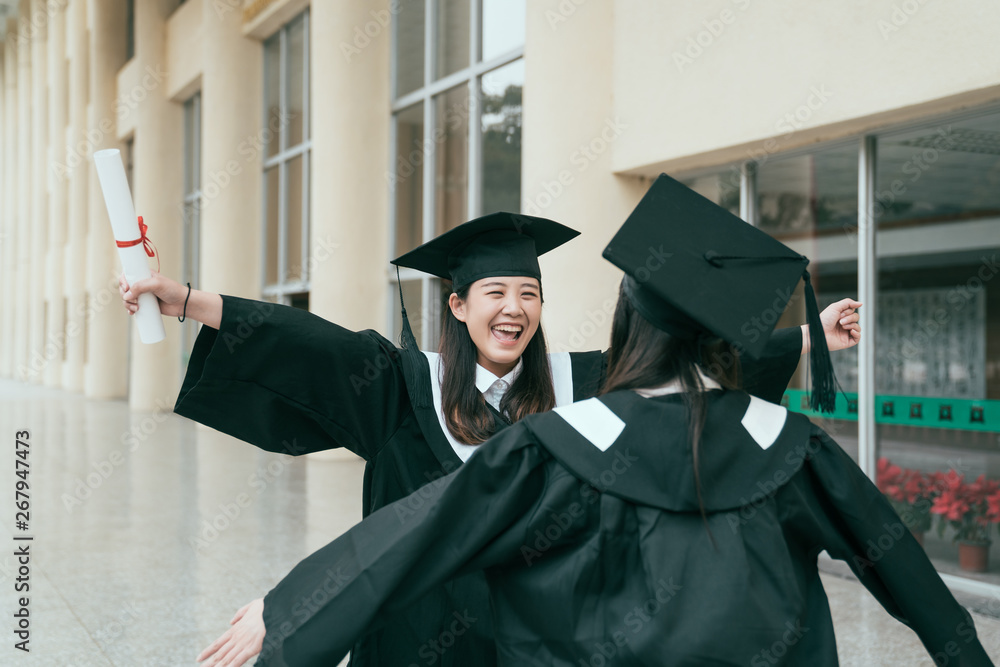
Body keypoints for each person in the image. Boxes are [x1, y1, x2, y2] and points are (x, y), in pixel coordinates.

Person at [120, 211, 860, 667]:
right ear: (459, 304)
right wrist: (185, 300)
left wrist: (807, 335)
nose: (515, 308)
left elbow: (685, 370)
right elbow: (309, 342)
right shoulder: (402, 386)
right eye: (497, 294)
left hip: (539, 638)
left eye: (529, 293)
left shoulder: (587, 383)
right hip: (417, 637)